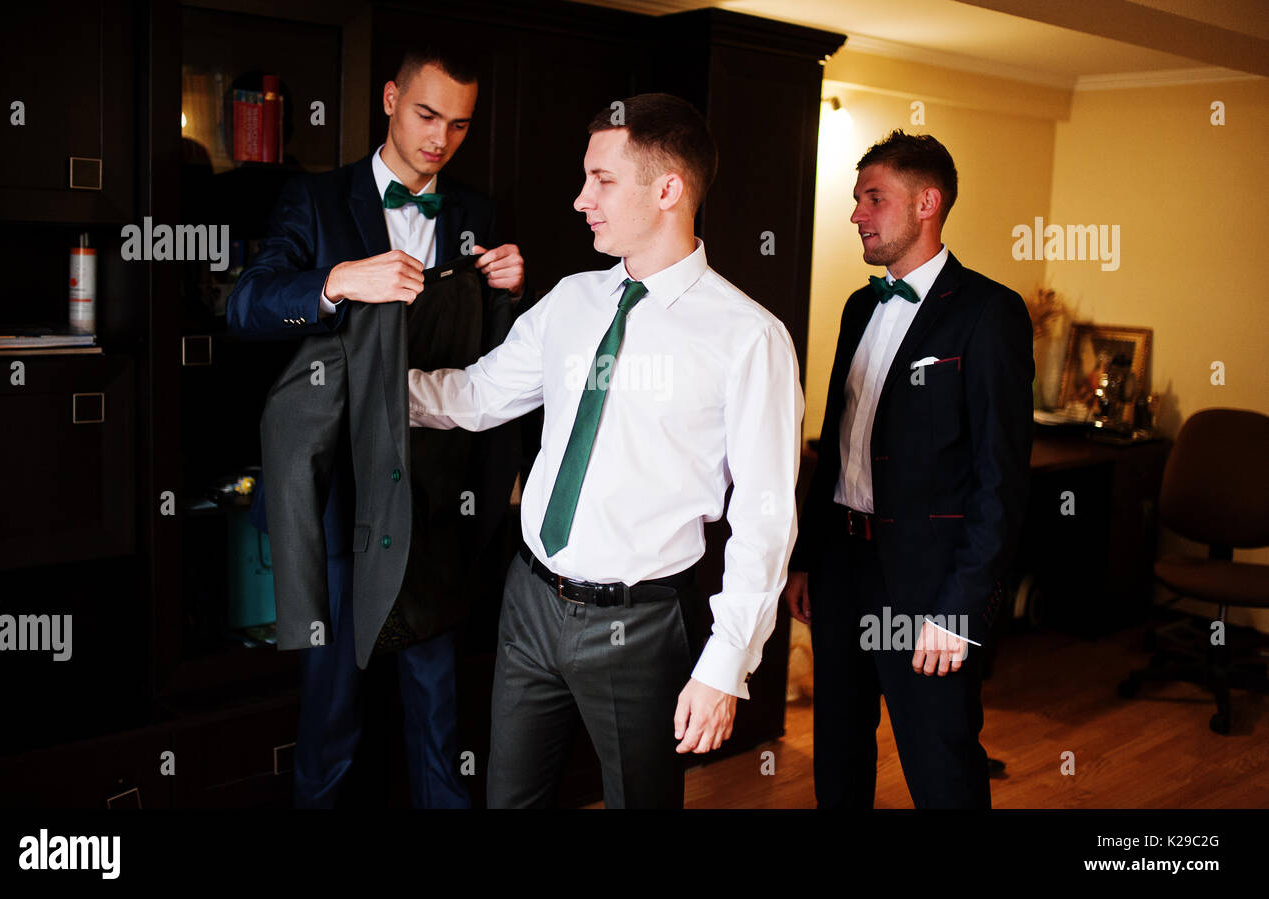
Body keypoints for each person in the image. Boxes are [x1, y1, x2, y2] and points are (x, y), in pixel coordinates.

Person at [408, 93, 803, 808]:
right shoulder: (570, 300)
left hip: (643, 625)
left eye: (602, 179)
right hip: (528, 600)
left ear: (667, 188)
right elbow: (475, 396)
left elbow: (767, 518)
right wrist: (368, 392)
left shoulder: (749, 338)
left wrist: (725, 665)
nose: (580, 197)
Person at [227, 44, 525, 808]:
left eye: (459, 125)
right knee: (330, 712)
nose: (440, 139)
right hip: (339, 497)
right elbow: (245, 304)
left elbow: (494, 364)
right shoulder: (317, 200)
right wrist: (334, 281)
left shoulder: (476, 215)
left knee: (438, 712)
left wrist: (509, 296)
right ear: (390, 98)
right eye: (427, 115)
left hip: (434, 497)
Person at [784, 130, 1032, 809]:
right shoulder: (860, 305)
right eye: (858, 199)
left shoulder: (989, 313)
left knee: (940, 759)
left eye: (874, 198)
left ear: (928, 202)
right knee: (837, 745)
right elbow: (834, 445)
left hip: (928, 584)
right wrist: (807, 557)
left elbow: (1000, 483)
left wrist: (960, 609)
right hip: (842, 569)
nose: (858, 214)